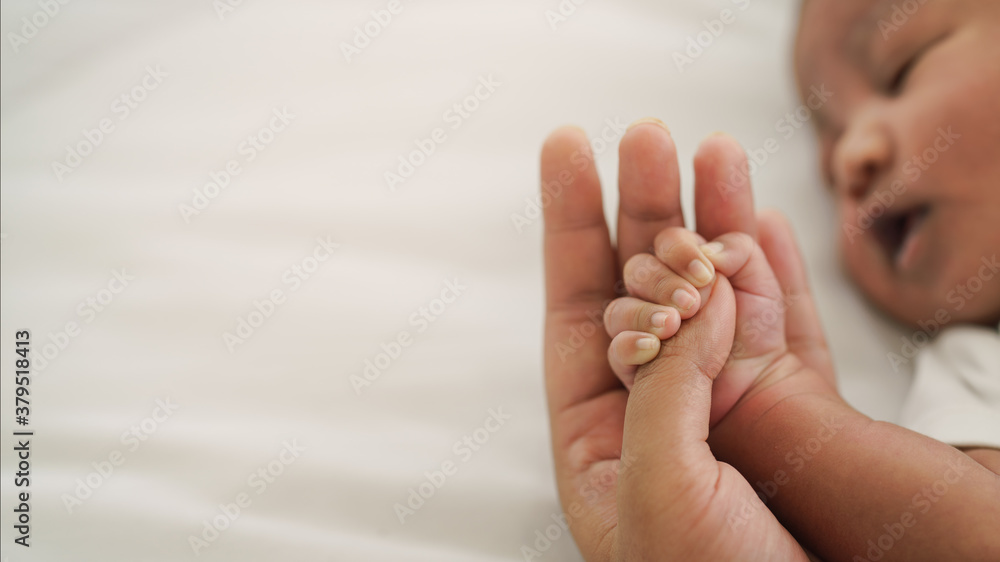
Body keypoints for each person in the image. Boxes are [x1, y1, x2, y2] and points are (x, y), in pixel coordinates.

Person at [539, 3, 1000, 559]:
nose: (853, 156)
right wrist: (764, 408)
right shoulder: (974, 373)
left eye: (902, 67)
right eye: (829, 168)